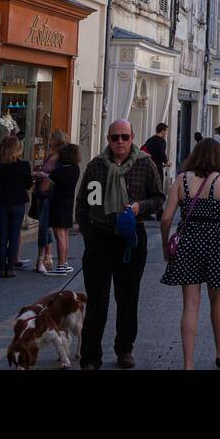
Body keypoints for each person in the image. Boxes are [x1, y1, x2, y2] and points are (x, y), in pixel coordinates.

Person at [74, 120, 165, 370]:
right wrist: (88, 235)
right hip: (100, 238)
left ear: (132, 137)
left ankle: (125, 349)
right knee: (97, 301)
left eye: (125, 137)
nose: (120, 142)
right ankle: (90, 356)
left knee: (128, 298)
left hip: (131, 240)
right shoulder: (96, 166)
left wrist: (139, 207)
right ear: (108, 139)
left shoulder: (145, 164)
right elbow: (83, 204)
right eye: (115, 138)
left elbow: (158, 198)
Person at [160, 138, 220, 370]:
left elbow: (166, 217)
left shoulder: (182, 180)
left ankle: (188, 363)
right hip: (217, 241)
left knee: (190, 304)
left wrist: (166, 243)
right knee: (217, 300)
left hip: (188, 242)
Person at [0, 136, 32, 278]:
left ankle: (2, 267)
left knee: (3, 235)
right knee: (14, 234)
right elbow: (28, 184)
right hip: (18, 202)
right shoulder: (24, 165)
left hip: (2, 202)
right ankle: (11, 268)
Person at [32, 130, 67, 274]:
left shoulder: (61, 159)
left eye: (52, 139)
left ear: (57, 141)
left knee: (44, 227)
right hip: (41, 193)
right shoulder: (51, 155)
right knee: (45, 226)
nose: (49, 141)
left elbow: (57, 176)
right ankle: (48, 257)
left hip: (50, 196)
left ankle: (42, 259)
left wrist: (43, 174)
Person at [45, 143, 80, 275]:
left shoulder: (58, 171)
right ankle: (64, 263)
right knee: (64, 234)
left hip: (57, 203)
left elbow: (45, 186)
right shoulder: (75, 169)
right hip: (68, 202)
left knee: (59, 234)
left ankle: (60, 266)